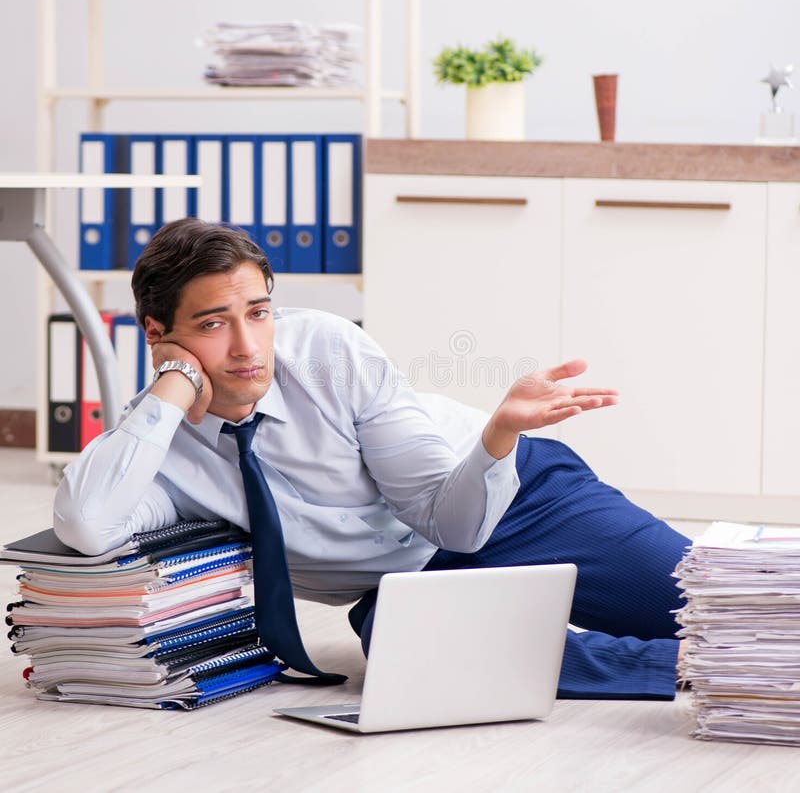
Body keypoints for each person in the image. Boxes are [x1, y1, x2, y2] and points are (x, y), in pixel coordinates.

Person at [54, 218, 689, 699]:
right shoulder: (155, 444)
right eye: (214, 324)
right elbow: (88, 522)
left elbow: (456, 526)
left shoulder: (328, 350)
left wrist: (498, 431)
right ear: (157, 332)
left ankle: (728, 646)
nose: (248, 347)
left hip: (512, 498)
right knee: (407, 654)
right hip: (404, 588)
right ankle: (707, 667)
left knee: (712, 606)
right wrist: (171, 388)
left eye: (259, 313)